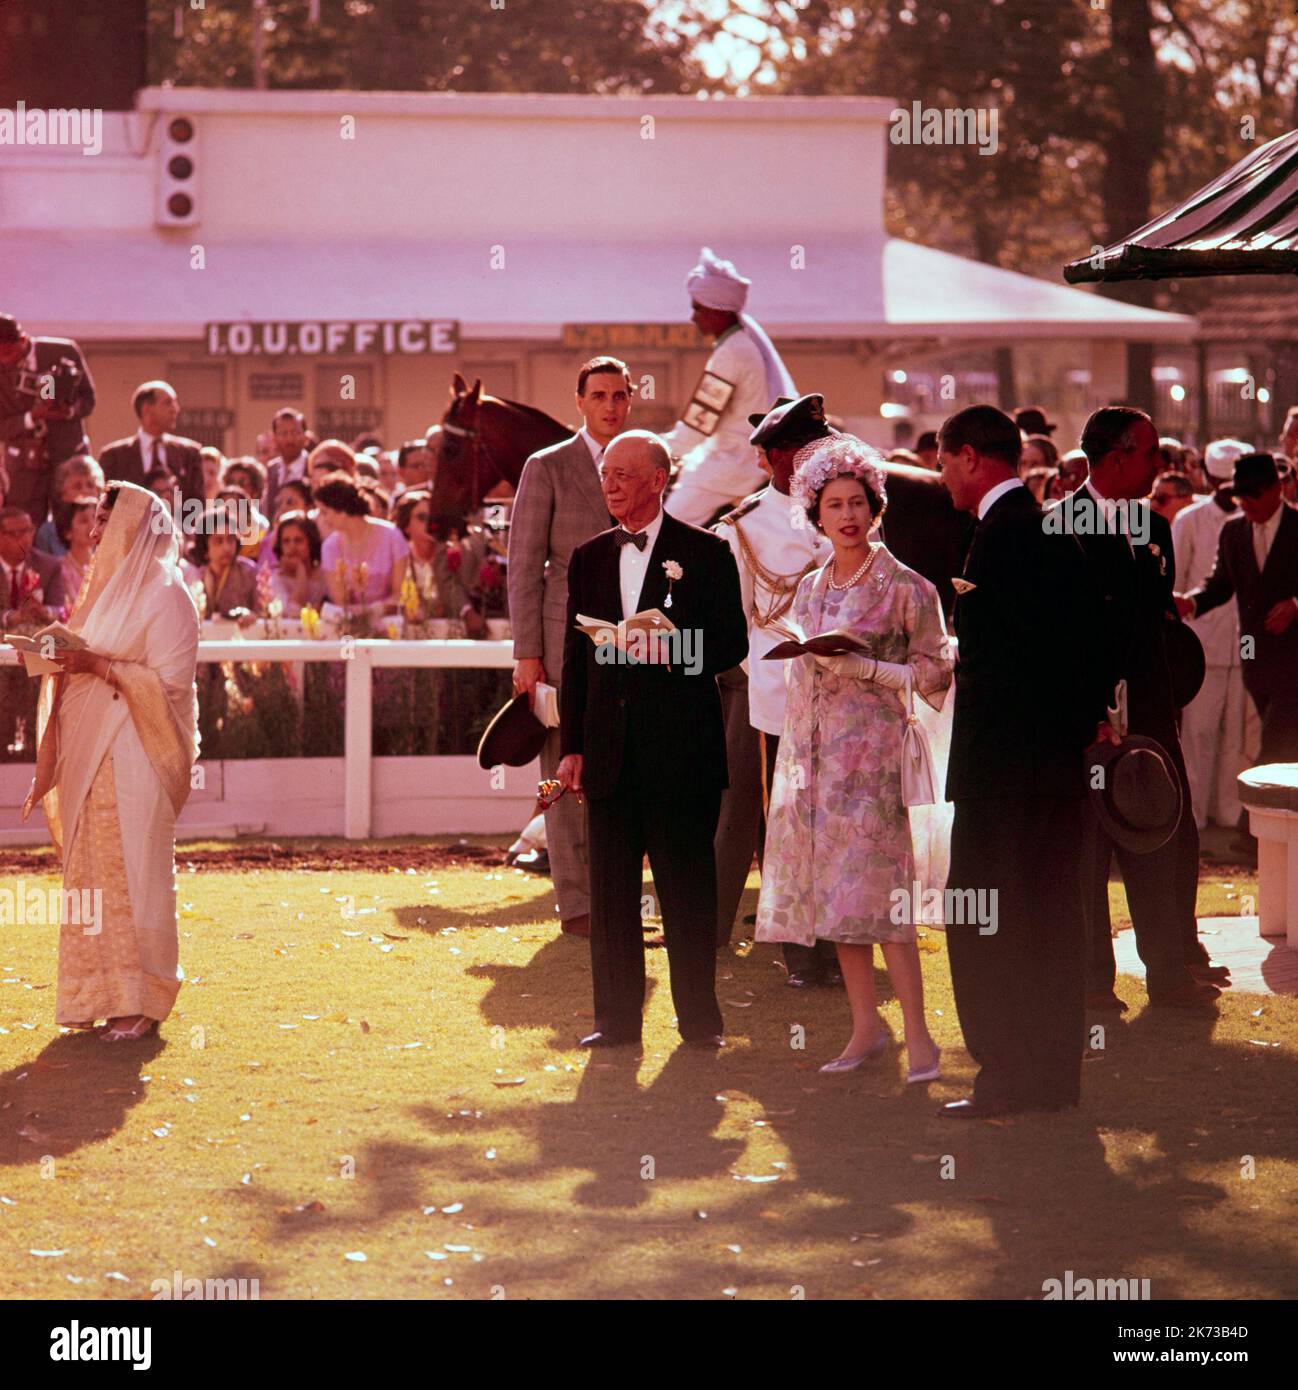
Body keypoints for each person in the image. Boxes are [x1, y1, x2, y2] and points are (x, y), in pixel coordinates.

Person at [756, 437, 952, 1080]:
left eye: (857, 503)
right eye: (833, 505)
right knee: (839, 904)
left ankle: (920, 1036)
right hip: (823, 762)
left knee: (886, 901)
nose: (846, 515)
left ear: (876, 507)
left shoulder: (908, 586)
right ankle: (865, 1028)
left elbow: (937, 675)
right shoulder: (809, 589)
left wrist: (869, 667)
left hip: (879, 766)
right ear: (815, 514)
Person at [936, 404, 1104, 1118]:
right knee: (1050, 922)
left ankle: (1007, 1073)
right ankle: (1049, 1077)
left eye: (945, 460)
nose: (942, 475)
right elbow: (1085, 647)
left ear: (972, 457)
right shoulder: (1047, 530)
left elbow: (1008, 664)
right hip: (1049, 773)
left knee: (986, 920)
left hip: (1007, 777)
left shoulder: (1007, 535)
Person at [556, 431, 748, 1048]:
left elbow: (730, 645)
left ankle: (700, 1023)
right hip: (609, 753)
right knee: (612, 896)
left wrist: (674, 649)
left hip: (680, 753)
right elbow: (574, 659)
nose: (608, 484)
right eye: (605, 473)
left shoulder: (708, 552)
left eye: (622, 474)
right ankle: (614, 1022)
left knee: (687, 892)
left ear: (658, 480)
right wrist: (574, 746)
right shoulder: (587, 558)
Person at [25, 481, 201, 1041]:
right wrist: (43, 652)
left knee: (138, 873)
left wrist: (97, 665)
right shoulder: (106, 593)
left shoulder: (168, 594)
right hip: (91, 758)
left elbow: (172, 687)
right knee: (92, 876)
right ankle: (96, 994)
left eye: (106, 521)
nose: (95, 532)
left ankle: (142, 1002)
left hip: (139, 752)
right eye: (95, 521)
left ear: (132, 525)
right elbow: (84, 655)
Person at [1064, 406, 1225, 1013]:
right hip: (1091, 721)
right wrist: (1086, 715)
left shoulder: (1152, 527)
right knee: (1088, 852)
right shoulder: (1059, 526)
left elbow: (1157, 627)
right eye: (1151, 452)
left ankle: (1170, 972)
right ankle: (1091, 983)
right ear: (1115, 457)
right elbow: (1061, 637)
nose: (1162, 464)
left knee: (1161, 840)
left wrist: (1165, 706)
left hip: (1155, 719)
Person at [507, 357, 630, 938]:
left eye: (621, 394)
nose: (611, 404)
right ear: (578, 401)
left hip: (633, 642)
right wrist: (528, 653)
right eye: (600, 394)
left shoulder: (645, 464)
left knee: (622, 766)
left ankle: (615, 900)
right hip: (560, 643)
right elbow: (525, 566)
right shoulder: (547, 465)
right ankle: (577, 907)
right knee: (559, 766)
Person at [713, 393, 832, 981]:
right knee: (778, 821)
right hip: (775, 696)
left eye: (821, 447)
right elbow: (732, 621)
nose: (817, 458)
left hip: (843, 695)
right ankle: (801, 953)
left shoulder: (850, 509)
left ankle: (837, 942)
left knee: (834, 822)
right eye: (803, 451)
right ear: (773, 459)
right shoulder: (743, 526)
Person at [1177, 452, 1298, 773]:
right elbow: (1219, 585)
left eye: (1253, 495)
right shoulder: (1233, 533)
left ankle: (1251, 821)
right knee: (1287, 749)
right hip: (1257, 662)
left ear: (1277, 489)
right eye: (1240, 496)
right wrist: (1189, 602)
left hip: (1295, 664)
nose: (1246, 503)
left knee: (1275, 746)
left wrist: (1296, 605)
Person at [662, 248, 795, 525]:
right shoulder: (738, 345)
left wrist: (656, 449)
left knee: (665, 528)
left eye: (697, 308)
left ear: (717, 311)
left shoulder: (732, 353)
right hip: (732, 458)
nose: (692, 317)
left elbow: (700, 423)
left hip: (731, 464)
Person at [1171, 439, 1252, 832]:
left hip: (1244, 647)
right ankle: (1195, 818)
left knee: (1236, 739)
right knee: (1198, 735)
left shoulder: (1252, 520)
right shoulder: (1189, 520)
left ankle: (1229, 815)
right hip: (1201, 647)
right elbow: (1177, 585)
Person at [0, 312, 96, 526]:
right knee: (27, 522)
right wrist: (31, 417)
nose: (4, 361)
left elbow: (88, 399)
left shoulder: (63, 351)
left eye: (8, 352)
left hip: (67, 458)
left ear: (23, 341)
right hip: (24, 466)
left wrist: (67, 411)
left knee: (74, 520)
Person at [99, 381, 203, 507]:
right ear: (147, 409)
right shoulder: (113, 457)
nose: (175, 409)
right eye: (168, 403)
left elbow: (197, 506)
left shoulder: (190, 454)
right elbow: (107, 505)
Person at [395, 487, 483, 634]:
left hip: (454, 634)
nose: (429, 523)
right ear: (406, 526)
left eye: (433, 517)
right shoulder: (399, 559)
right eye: (422, 517)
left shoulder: (454, 552)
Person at [316, 473, 409, 611]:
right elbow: (341, 602)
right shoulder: (330, 547)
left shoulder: (392, 536)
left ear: (341, 510)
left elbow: (400, 594)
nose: (323, 519)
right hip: (351, 626)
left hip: (391, 623)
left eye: (325, 512)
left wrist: (375, 611)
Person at [185, 499, 260, 622]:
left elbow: (263, 614)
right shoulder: (197, 576)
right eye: (218, 541)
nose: (226, 548)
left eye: (230, 539)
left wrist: (252, 616)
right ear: (205, 547)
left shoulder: (249, 572)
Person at [35, 454, 105, 555]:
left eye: (90, 485)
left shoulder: (108, 528)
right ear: (62, 494)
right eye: (77, 486)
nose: (85, 491)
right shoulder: (47, 533)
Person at [268, 510, 328, 617]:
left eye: (298, 540)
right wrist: (301, 574)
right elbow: (292, 614)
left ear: (311, 542)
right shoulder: (276, 580)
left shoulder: (325, 575)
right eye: (286, 541)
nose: (292, 546)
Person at [263, 408, 310, 517]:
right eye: (283, 433)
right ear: (274, 439)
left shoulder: (313, 467)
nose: (289, 439)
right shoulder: (272, 469)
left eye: (295, 432)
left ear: (305, 436)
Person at [57, 496, 99, 606]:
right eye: (83, 521)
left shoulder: (105, 564)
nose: (92, 526)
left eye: (95, 518)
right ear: (68, 532)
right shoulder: (60, 568)